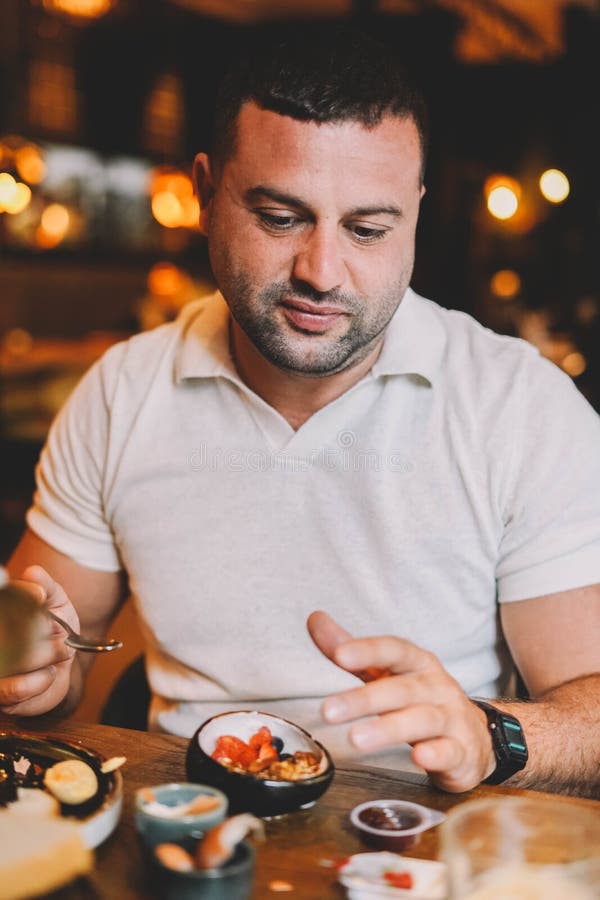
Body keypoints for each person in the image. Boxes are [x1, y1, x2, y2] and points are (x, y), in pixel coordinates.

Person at [2, 29, 599, 797]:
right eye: (281, 217)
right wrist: (36, 674)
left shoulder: (519, 406)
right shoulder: (122, 391)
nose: (321, 272)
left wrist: (491, 736)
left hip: (428, 847)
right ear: (207, 194)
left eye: (368, 229)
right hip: (188, 825)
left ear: (415, 213)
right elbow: (47, 664)